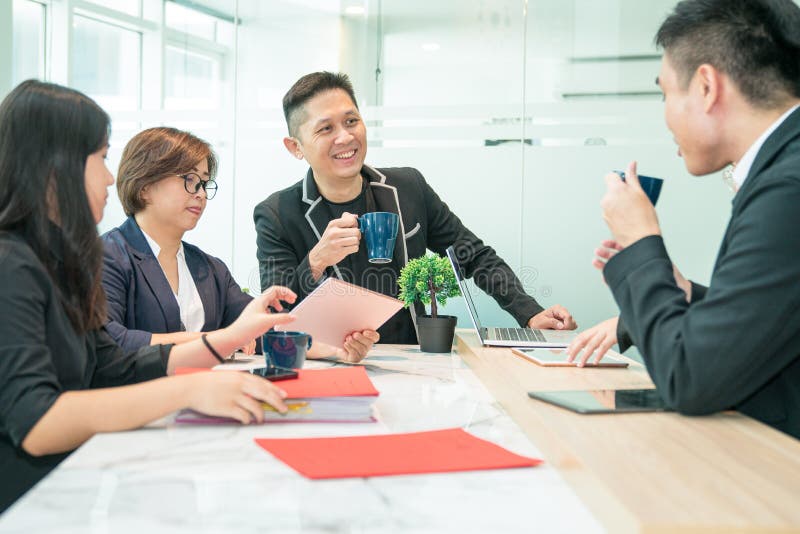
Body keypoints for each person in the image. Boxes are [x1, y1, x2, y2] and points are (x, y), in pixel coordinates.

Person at [0, 80, 297, 512]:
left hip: (79, 482)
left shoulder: (60, 260)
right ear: (54, 165)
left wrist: (226, 340)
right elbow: (36, 421)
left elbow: (115, 366)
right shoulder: (11, 263)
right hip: (29, 502)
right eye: (101, 158)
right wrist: (188, 391)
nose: (110, 177)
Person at [570, 0, 800, 439]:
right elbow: (778, 317)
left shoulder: (787, 188)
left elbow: (689, 378)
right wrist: (686, 292)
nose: (665, 115)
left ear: (706, 87)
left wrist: (641, 241)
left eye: (665, 94)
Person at [254, 71, 577, 352]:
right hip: (329, 363)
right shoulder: (276, 214)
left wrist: (529, 313)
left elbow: (473, 255)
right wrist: (316, 261)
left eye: (351, 121)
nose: (345, 136)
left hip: (410, 358)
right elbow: (274, 313)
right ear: (295, 147)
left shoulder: (408, 187)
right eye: (325, 129)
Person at [102, 127, 259, 354]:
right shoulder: (108, 255)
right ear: (144, 187)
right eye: (190, 179)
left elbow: (258, 329)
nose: (201, 194)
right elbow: (107, 339)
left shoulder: (211, 269)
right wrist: (205, 341)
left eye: (204, 183)